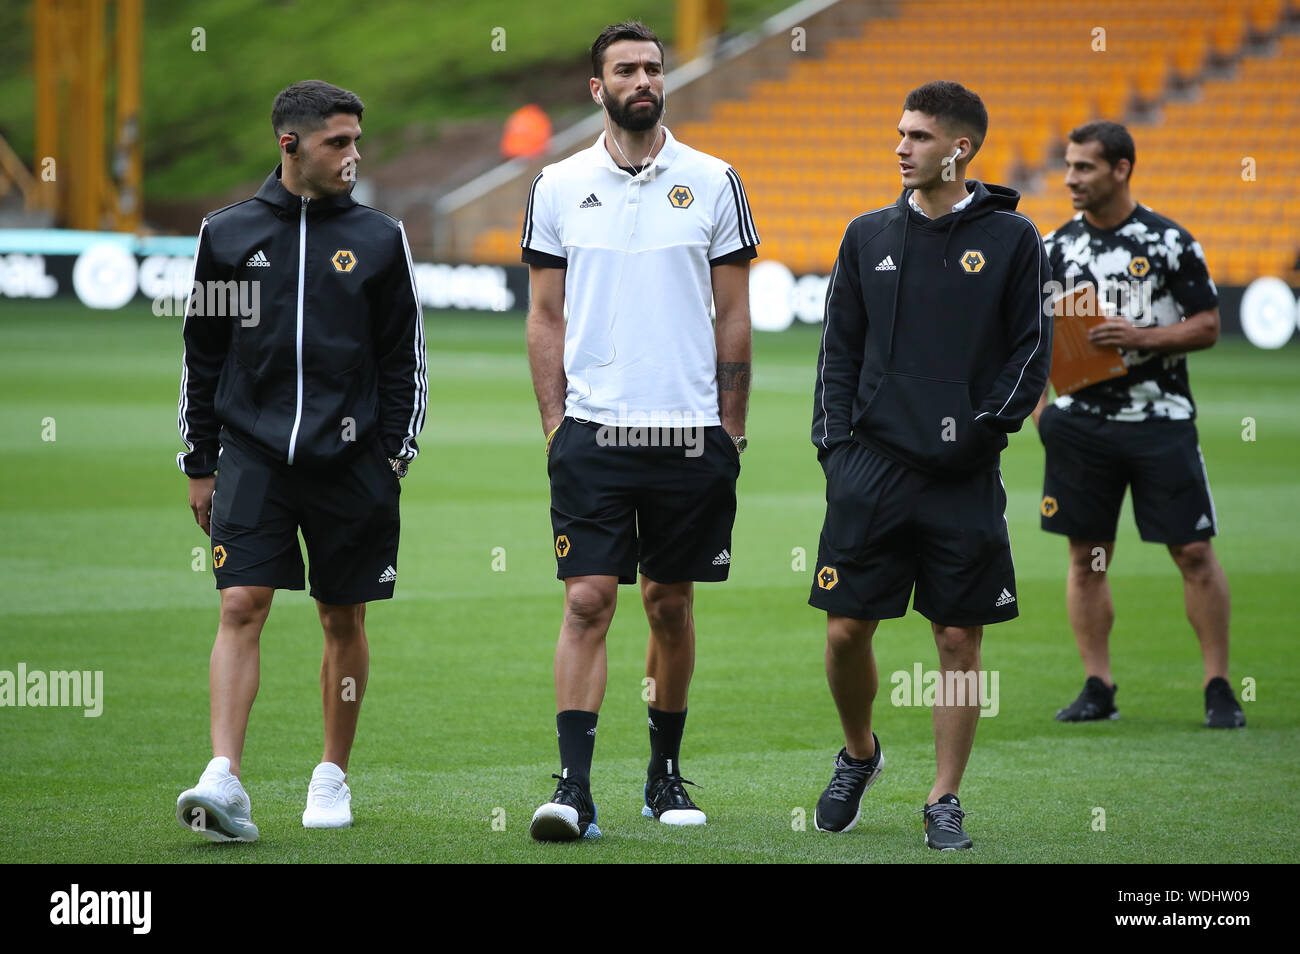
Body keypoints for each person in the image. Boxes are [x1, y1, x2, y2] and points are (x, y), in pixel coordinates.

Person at [521, 20, 757, 841]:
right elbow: (544, 316)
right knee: (588, 600)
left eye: (653, 67)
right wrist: (555, 423)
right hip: (592, 430)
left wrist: (731, 425)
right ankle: (573, 788)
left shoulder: (716, 180)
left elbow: (733, 313)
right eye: (626, 69)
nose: (643, 79)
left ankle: (663, 775)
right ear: (598, 88)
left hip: (690, 431)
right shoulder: (556, 184)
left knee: (669, 604)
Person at [174, 80, 428, 841]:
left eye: (357, 141)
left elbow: (402, 358)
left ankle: (331, 775)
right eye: (337, 143)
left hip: (353, 465)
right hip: (252, 458)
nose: (353, 156)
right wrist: (200, 459)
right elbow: (203, 354)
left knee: (340, 616)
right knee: (239, 604)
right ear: (290, 145)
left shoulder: (382, 238)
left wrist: (392, 459)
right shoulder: (227, 234)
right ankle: (225, 777)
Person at [809, 81, 1050, 850]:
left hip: (962, 475)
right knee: (847, 630)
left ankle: (944, 797)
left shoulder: (1015, 241)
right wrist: (835, 449)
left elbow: (1031, 352)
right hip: (870, 469)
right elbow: (836, 354)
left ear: (959, 148)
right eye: (899, 133)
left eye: (917, 135)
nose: (901, 146)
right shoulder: (866, 234)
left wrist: (985, 432)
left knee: (958, 642)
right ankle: (859, 755)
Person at [1034, 121, 1244, 729]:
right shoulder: (1054, 247)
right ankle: (1098, 684)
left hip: (1160, 420)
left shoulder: (1169, 241)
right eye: (1069, 166)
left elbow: (1207, 325)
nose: (1071, 178)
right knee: (1087, 558)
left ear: (1121, 169)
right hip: (1079, 428)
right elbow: (1036, 335)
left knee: (1194, 552)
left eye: (1084, 167)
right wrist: (1042, 409)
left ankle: (1218, 686)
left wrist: (1141, 336)